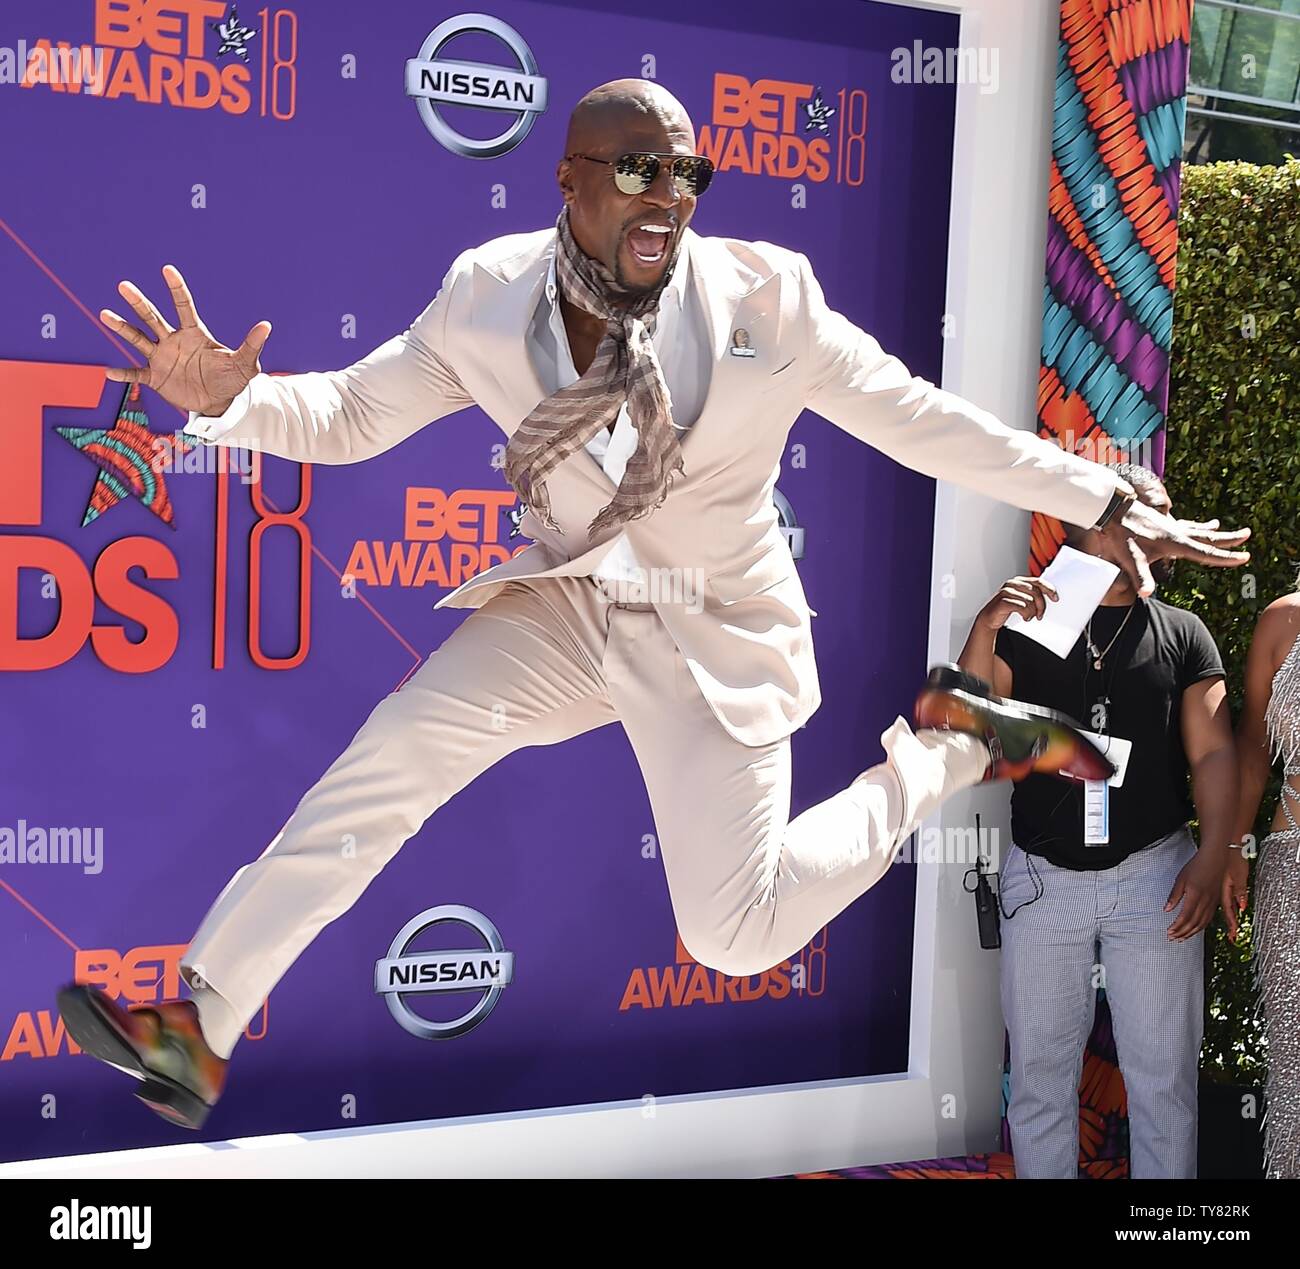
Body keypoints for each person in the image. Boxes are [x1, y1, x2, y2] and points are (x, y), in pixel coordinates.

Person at [56, 81, 1249, 1130]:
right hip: (573, 604)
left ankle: (952, 745)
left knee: (734, 936)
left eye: (688, 171)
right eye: (635, 167)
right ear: (567, 179)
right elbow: (356, 419)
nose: (666, 194)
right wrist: (238, 399)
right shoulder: (486, 296)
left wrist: (1096, 487)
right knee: (392, 758)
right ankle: (199, 1023)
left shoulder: (765, 301)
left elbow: (919, 419)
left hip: (712, 632)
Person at [957, 463, 1238, 1179]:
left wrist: (1212, 855)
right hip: (1045, 879)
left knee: (1163, 1084)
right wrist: (986, 628)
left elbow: (1212, 754)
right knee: (1041, 1085)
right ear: (1103, 519)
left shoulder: (1183, 632)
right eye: (1157, 513)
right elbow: (972, 730)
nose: (1170, 529)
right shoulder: (1028, 623)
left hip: (1157, 877)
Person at [1229, 585, 1300, 1178]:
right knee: (1293, 1073)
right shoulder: (1281, 620)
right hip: (1290, 868)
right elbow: (1253, 750)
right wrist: (1232, 848)